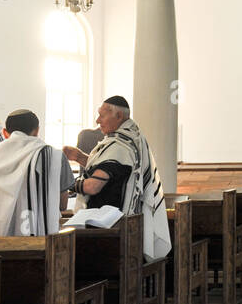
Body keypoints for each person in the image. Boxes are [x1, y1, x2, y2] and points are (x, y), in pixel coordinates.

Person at [63, 96, 171, 259]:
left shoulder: (120, 146)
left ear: (119, 116)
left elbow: (93, 186)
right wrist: (79, 157)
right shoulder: (126, 140)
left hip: (109, 229)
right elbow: (109, 170)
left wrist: (64, 183)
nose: (97, 120)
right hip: (111, 226)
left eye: (102, 115)